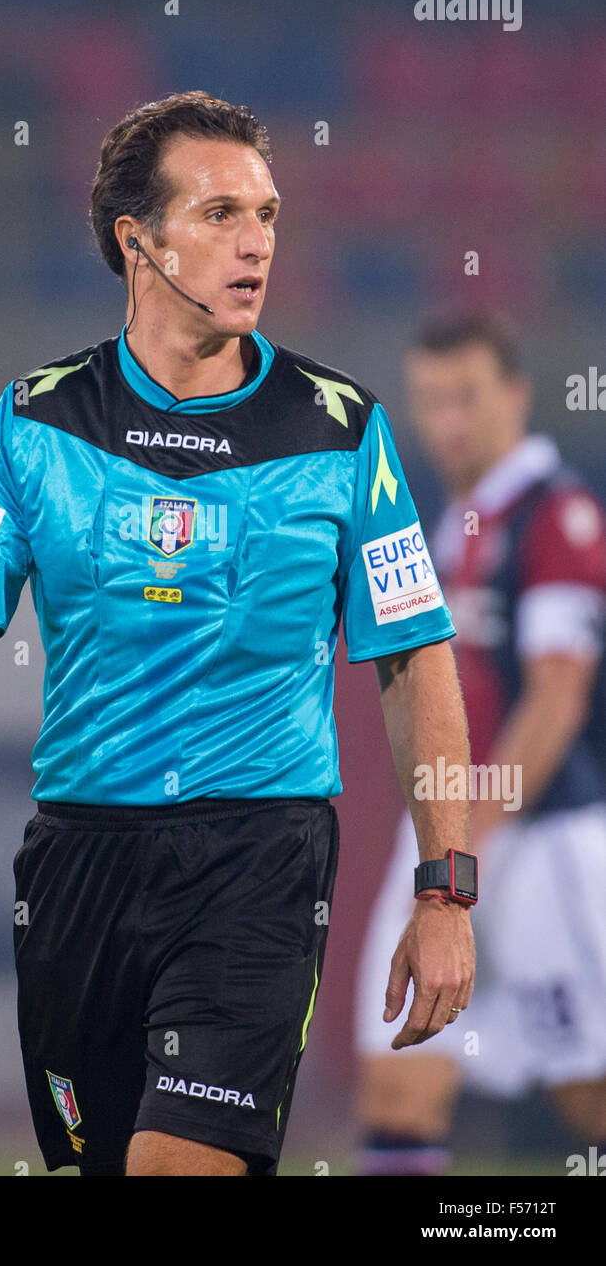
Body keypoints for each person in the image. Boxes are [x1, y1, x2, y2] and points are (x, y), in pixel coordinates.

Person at [0, 90, 474, 1178]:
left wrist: (443, 889)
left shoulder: (340, 431)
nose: (256, 242)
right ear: (136, 241)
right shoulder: (34, 421)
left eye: (269, 214)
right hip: (76, 865)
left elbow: (414, 659)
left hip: (256, 859)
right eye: (221, 213)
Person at [354, 313, 606, 1175]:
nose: (449, 420)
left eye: (467, 397)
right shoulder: (445, 523)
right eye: (430, 401)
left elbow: (558, 697)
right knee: (395, 1084)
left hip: (539, 844)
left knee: (587, 1094)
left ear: (515, 396)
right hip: (444, 846)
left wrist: (468, 845)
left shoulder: (556, 517)